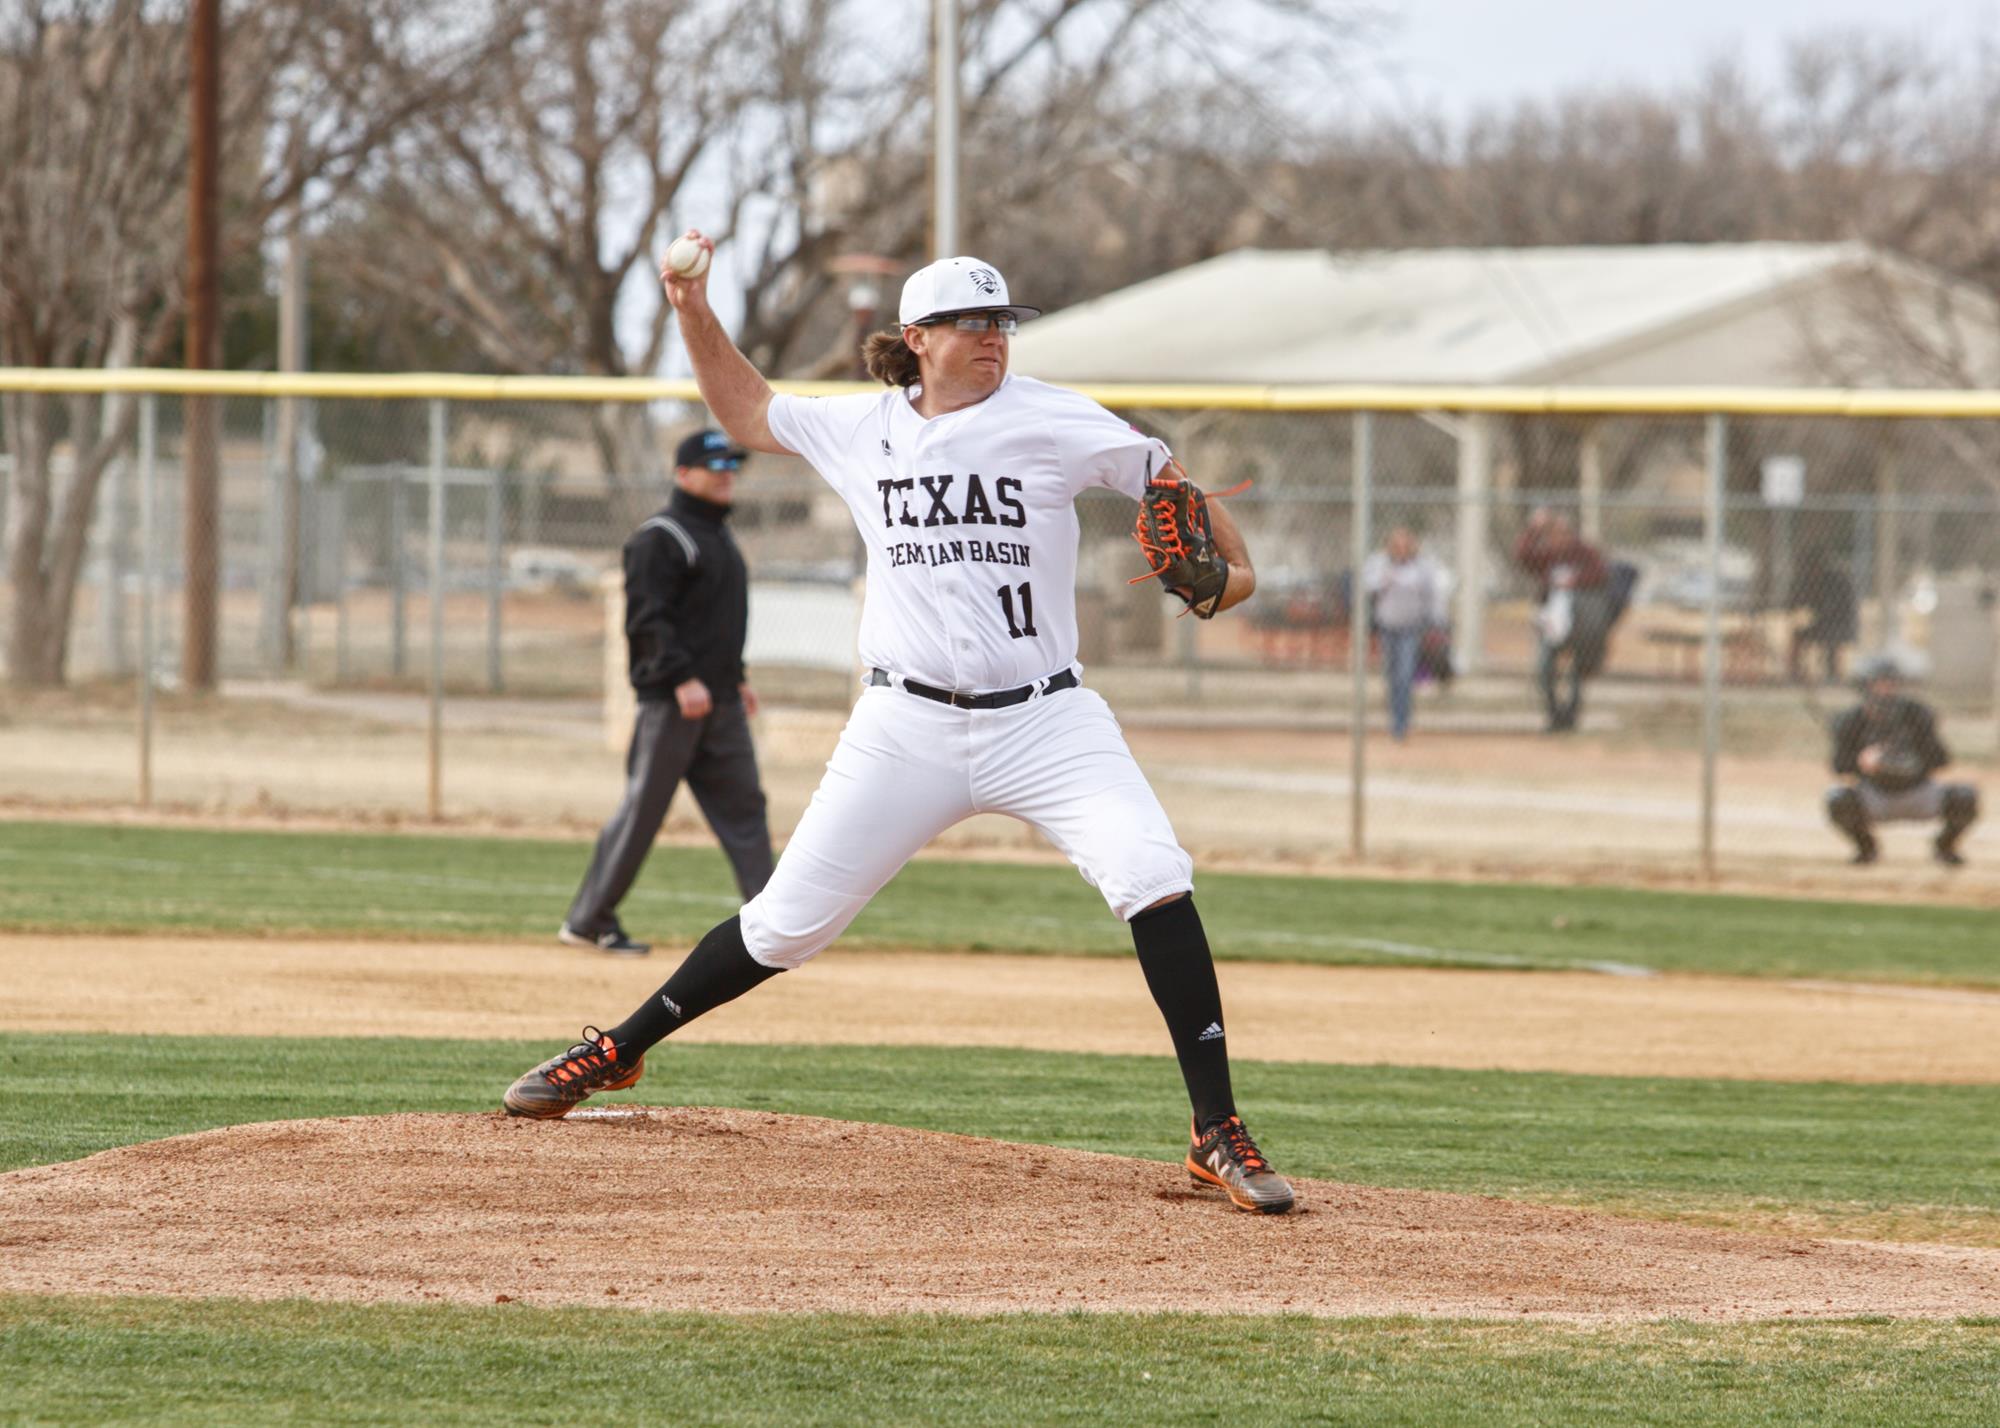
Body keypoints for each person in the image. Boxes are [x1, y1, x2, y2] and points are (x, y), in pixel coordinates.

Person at [502, 237, 1297, 1215]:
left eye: (1001, 323)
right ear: (916, 339)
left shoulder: (1053, 418)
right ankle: (619, 1049)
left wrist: (1235, 575)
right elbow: (745, 410)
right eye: (971, 324)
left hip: (1046, 718)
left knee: (1152, 874)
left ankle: (1212, 1129)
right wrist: (688, 304)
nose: (992, 340)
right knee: (784, 924)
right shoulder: (861, 428)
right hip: (903, 723)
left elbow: (1171, 486)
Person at [557, 429, 774, 955]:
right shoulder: (662, 536)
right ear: (683, 474)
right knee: (643, 811)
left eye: (731, 465)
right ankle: (588, 921)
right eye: (715, 465)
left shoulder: (717, 536)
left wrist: (736, 677)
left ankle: (778, 925)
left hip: (719, 700)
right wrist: (679, 677)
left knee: (746, 809)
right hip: (675, 703)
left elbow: (718, 623)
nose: (727, 474)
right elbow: (647, 619)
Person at [1826, 654, 1980, 866]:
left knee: (1965, 796)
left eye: (1891, 683)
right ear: (1865, 687)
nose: (1886, 690)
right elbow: (1839, 766)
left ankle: (1944, 848)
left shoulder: (1916, 714)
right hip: (1875, 794)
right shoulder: (1852, 720)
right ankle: (1866, 849)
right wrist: (1861, 762)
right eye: (1879, 684)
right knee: (1837, 798)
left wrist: (1905, 762)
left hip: (1918, 791)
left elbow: (1942, 760)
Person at [1514, 508, 1615, 733]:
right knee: (1545, 668)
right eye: (1553, 534)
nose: (1558, 538)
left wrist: (1574, 581)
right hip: (1551, 623)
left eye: (1563, 533)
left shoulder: (1584, 553)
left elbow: (1601, 574)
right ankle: (1554, 715)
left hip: (1581, 623)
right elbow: (1522, 557)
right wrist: (1533, 529)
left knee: (1576, 672)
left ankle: (1570, 717)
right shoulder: (1548, 555)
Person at [1361, 527, 1450, 740]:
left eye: (1405, 545)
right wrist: (1386, 578)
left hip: (1411, 627)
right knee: (1392, 676)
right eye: (1396, 545)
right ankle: (1394, 717)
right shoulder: (1379, 563)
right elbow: (1367, 586)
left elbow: (1432, 596)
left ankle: (1401, 724)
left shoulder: (1422, 567)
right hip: (1387, 626)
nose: (1401, 549)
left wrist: (1438, 623)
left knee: (1405, 674)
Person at [1787, 545, 1858, 685]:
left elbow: (1835, 608)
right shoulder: (1807, 581)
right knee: (1797, 635)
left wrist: (1815, 615)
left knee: (1832, 638)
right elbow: (1794, 601)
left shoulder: (1836, 580)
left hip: (1840, 624)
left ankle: (1833, 676)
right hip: (1820, 623)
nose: (1812, 571)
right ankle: (1795, 674)